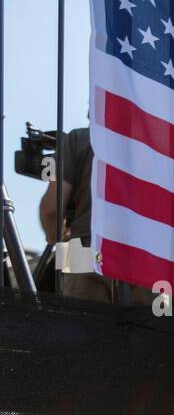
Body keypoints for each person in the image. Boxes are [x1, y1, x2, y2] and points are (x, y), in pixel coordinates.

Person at [39, 126, 110, 302]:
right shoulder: (161, 142)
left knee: (83, 328)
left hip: (83, 253)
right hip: (149, 263)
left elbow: (51, 210)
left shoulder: (78, 139)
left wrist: (56, 236)